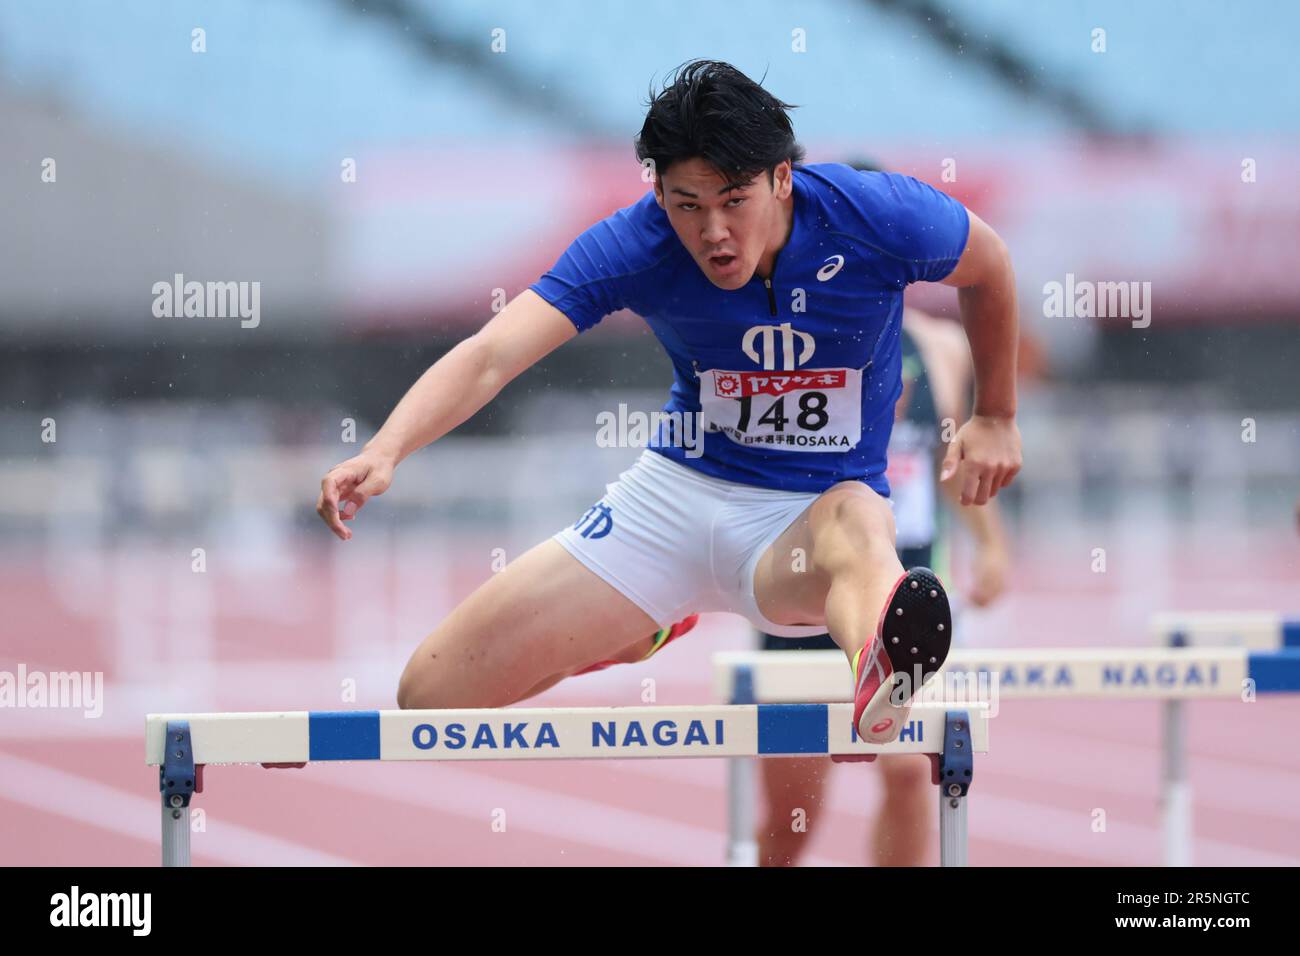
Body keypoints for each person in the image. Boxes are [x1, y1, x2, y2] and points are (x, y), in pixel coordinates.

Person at [315, 60, 1021, 747]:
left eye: (733, 201)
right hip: (672, 502)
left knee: (861, 524)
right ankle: (643, 625)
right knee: (430, 695)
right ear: (659, 193)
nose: (713, 232)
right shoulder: (640, 242)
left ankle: (883, 670)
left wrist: (996, 415)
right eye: (688, 205)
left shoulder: (873, 215)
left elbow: (988, 265)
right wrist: (386, 448)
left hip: (806, 523)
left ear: (782, 178)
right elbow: (492, 353)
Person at [756, 304, 1011, 867]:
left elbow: (951, 462)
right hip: (807, 598)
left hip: (905, 606)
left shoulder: (942, 346)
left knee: (906, 771)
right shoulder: (791, 339)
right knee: (792, 818)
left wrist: (990, 544)